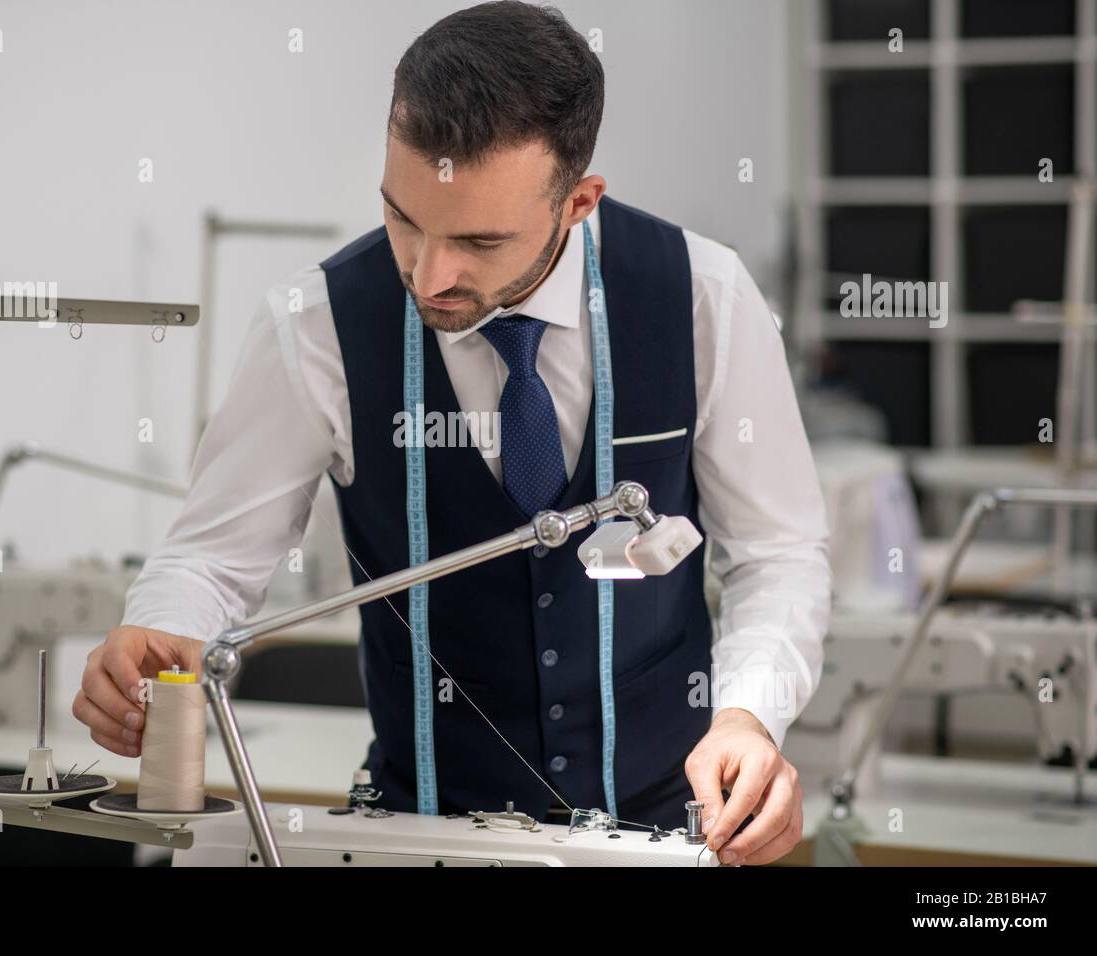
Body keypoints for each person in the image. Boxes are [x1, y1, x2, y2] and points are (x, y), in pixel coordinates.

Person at [75, 1, 830, 866]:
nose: (430, 276)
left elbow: (778, 553)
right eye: (403, 217)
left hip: (669, 836)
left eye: (478, 239)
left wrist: (748, 713)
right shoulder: (316, 324)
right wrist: (160, 625)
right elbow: (210, 557)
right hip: (413, 838)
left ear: (578, 201)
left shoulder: (706, 298)